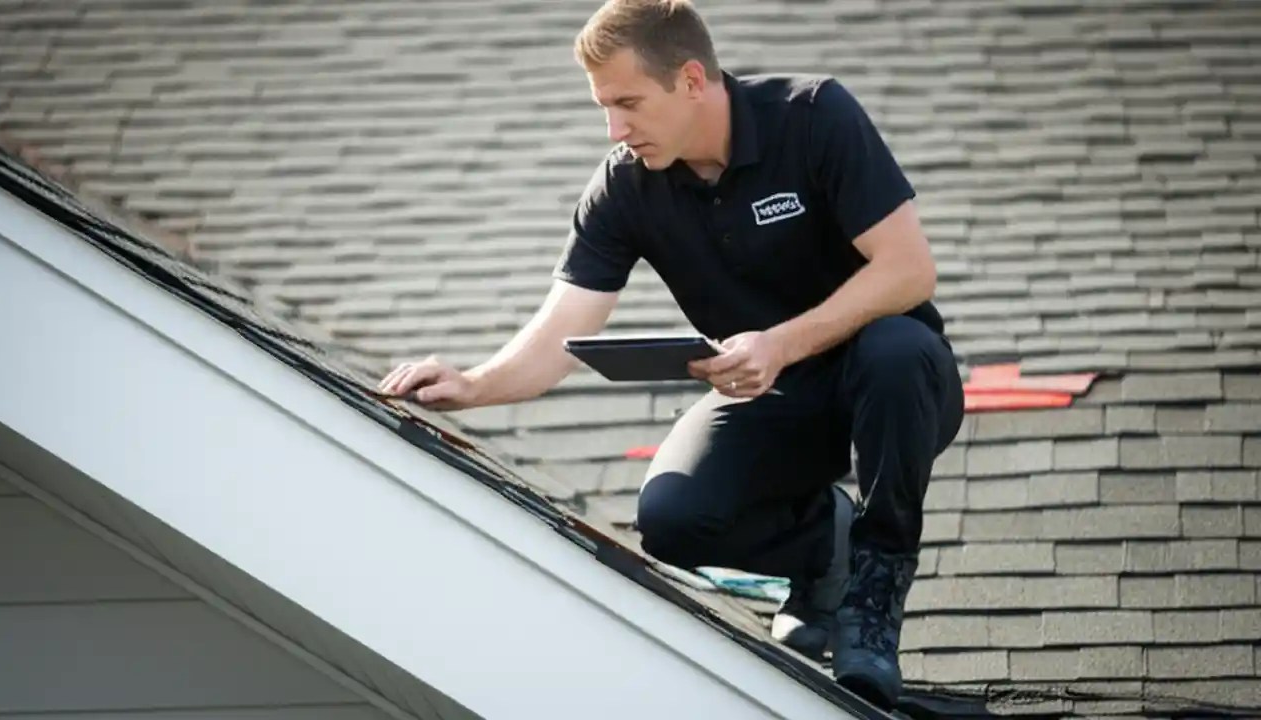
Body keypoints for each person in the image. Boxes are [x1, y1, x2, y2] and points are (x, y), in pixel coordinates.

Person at [378, 0, 964, 709]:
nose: (615, 130)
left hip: (897, 392)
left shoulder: (814, 116)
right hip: (770, 401)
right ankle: (823, 547)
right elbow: (565, 325)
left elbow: (909, 271)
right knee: (672, 519)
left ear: (691, 80)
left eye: (627, 103)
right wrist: (472, 384)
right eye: (603, 108)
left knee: (896, 347)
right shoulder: (625, 184)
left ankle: (873, 597)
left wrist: (778, 343)